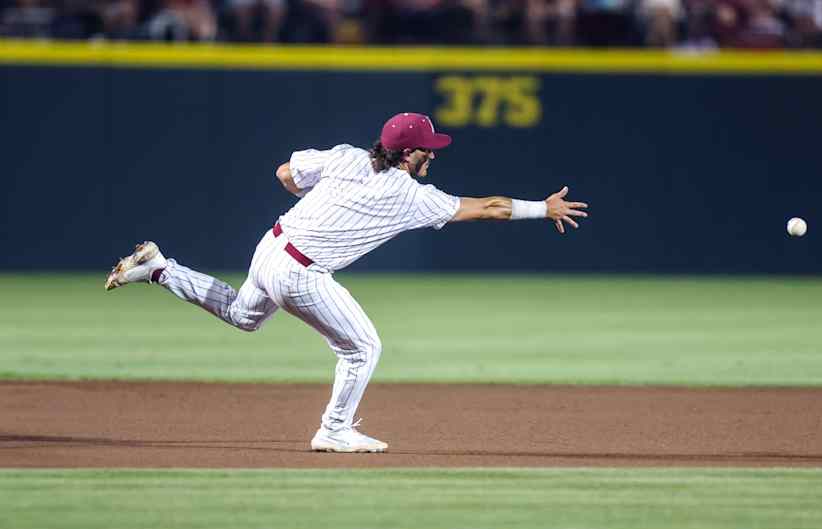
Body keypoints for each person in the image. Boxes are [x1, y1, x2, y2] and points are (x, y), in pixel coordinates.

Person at [105, 112, 589, 453]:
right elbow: (488, 208)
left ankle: (160, 268)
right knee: (363, 348)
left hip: (272, 244)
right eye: (428, 148)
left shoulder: (346, 157)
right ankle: (334, 429)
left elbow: (285, 173)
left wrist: (317, 200)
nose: (433, 155)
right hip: (300, 272)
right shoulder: (410, 195)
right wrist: (542, 208)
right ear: (408, 153)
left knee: (241, 315)